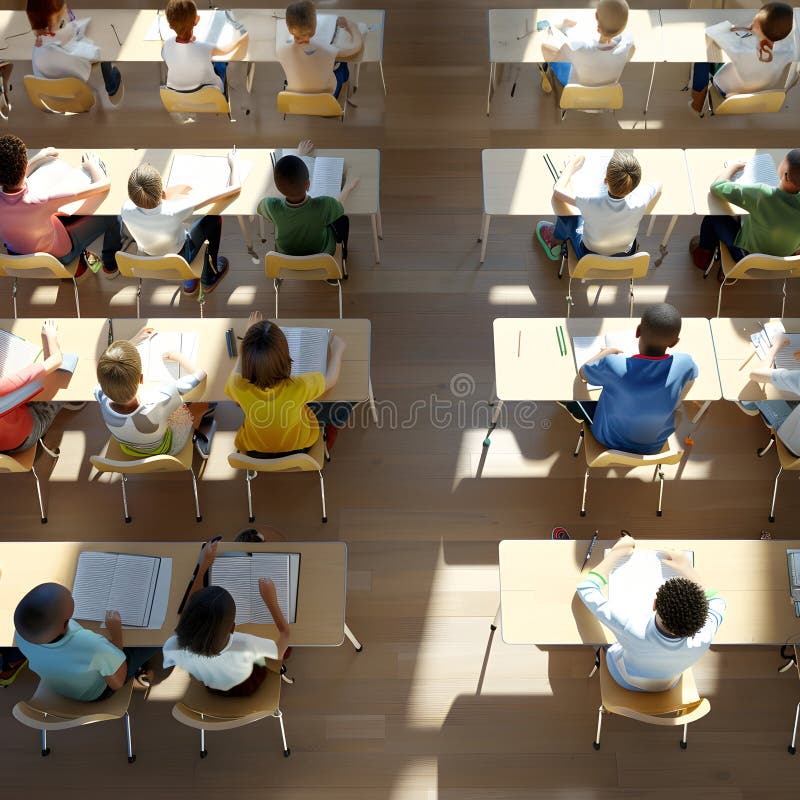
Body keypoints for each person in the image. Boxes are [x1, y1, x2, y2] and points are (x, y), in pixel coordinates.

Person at [578, 534, 726, 692]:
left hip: (625, 680)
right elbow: (718, 600)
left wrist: (616, 553)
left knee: (609, 648)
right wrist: (688, 569)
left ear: (654, 604)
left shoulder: (629, 626)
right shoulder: (705, 634)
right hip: (669, 683)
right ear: (703, 613)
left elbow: (586, 588)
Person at [562, 303, 698, 455]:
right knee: (678, 412)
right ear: (674, 343)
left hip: (606, 439)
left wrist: (607, 353)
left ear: (638, 331)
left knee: (572, 388)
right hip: (652, 448)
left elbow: (583, 373)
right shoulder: (685, 364)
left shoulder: (613, 364)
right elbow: (691, 380)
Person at [162, 540, 290, 696]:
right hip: (247, 683)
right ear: (232, 628)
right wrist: (271, 602)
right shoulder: (245, 644)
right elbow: (282, 644)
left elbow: (190, 607)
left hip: (211, 682)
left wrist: (202, 567)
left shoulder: (172, 645)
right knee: (288, 647)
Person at [225, 310, 350, 455]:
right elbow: (331, 380)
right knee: (343, 403)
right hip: (300, 445)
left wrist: (248, 336)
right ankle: (332, 428)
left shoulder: (237, 384)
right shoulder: (300, 386)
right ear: (285, 358)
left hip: (255, 447)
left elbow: (240, 360)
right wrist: (337, 350)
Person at [0, 135, 121, 279]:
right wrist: (92, 166)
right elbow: (103, 186)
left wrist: (37, 157)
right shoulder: (41, 200)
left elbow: (15, 180)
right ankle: (110, 265)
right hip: (56, 258)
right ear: (24, 164)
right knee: (113, 217)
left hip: (16, 257)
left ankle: (86, 261)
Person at [14, 582, 158, 701]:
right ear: (64, 625)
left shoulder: (21, 633)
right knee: (155, 640)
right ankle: (137, 670)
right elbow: (117, 683)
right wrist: (116, 633)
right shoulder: (91, 645)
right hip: (94, 692)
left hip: (59, 682)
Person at [121, 152, 240, 296]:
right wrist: (233, 165)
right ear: (162, 192)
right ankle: (209, 276)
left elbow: (153, 201)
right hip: (181, 256)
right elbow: (234, 188)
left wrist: (171, 191)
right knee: (213, 219)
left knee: (186, 226)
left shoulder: (125, 210)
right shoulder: (174, 211)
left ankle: (190, 282)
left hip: (148, 257)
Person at [95, 328, 215, 458]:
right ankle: (197, 434)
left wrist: (132, 343)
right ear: (141, 379)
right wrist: (177, 357)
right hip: (165, 447)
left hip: (129, 448)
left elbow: (109, 372)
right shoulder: (159, 400)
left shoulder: (100, 394)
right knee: (207, 402)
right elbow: (200, 375)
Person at [536, 151, 661, 261]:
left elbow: (558, 191)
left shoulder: (591, 203)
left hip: (589, 256)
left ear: (605, 180)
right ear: (634, 185)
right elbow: (659, 186)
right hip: (625, 255)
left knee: (568, 217)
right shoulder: (641, 198)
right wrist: (643, 212)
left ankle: (555, 238)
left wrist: (571, 167)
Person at [690, 149, 800, 273]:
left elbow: (717, 187)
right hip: (783, 260)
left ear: (785, 175)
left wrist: (732, 167)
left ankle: (704, 254)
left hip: (746, 258)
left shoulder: (762, 193)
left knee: (713, 216)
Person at [258, 139, 359, 261]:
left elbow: (260, 204)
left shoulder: (271, 206)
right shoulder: (324, 205)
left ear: (278, 189)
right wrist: (348, 186)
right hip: (321, 254)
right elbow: (339, 205)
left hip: (286, 257)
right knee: (342, 220)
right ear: (308, 184)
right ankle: (343, 255)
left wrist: (299, 156)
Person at [689, 2, 797, 115]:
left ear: (758, 25)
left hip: (731, 90)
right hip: (765, 88)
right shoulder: (788, 48)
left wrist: (732, 29)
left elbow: (711, 31)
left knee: (703, 57)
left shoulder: (739, 46)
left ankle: (697, 104)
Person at [0, 319, 84, 455]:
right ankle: (71, 401)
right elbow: (56, 360)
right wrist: (49, 336)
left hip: (6, 437)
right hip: (25, 435)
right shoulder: (3, 385)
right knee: (62, 386)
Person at [26, 0, 123, 101]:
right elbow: (95, 54)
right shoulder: (68, 43)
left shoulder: (37, 51)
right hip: (74, 91)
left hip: (48, 97)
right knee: (105, 52)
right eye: (65, 9)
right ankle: (111, 85)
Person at [540, 0, 634, 93]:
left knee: (547, 48)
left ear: (596, 16)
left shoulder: (577, 48)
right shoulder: (629, 44)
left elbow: (548, 49)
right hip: (609, 90)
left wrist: (550, 34)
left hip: (578, 89)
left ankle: (546, 71)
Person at [277, 0, 363, 99]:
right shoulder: (328, 50)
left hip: (295, 98)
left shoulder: (281, 51)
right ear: (314, 26)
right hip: (326, 98)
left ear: (288, 26)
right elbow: (356, 46)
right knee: (342, 65)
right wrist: (351, 26)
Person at [161, 0, 249, 93]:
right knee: (220, 62)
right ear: (197, 19)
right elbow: (228, 50)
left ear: (170, 25)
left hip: (177, 101)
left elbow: (171, 55)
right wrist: (245, 37)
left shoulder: (166, 45)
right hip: (212, 98)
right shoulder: (205, 48)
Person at [749, 332, 800, 455]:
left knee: (753, 392)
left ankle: (751, 406)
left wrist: (776, 345)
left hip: (793, 442)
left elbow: (756, 375)